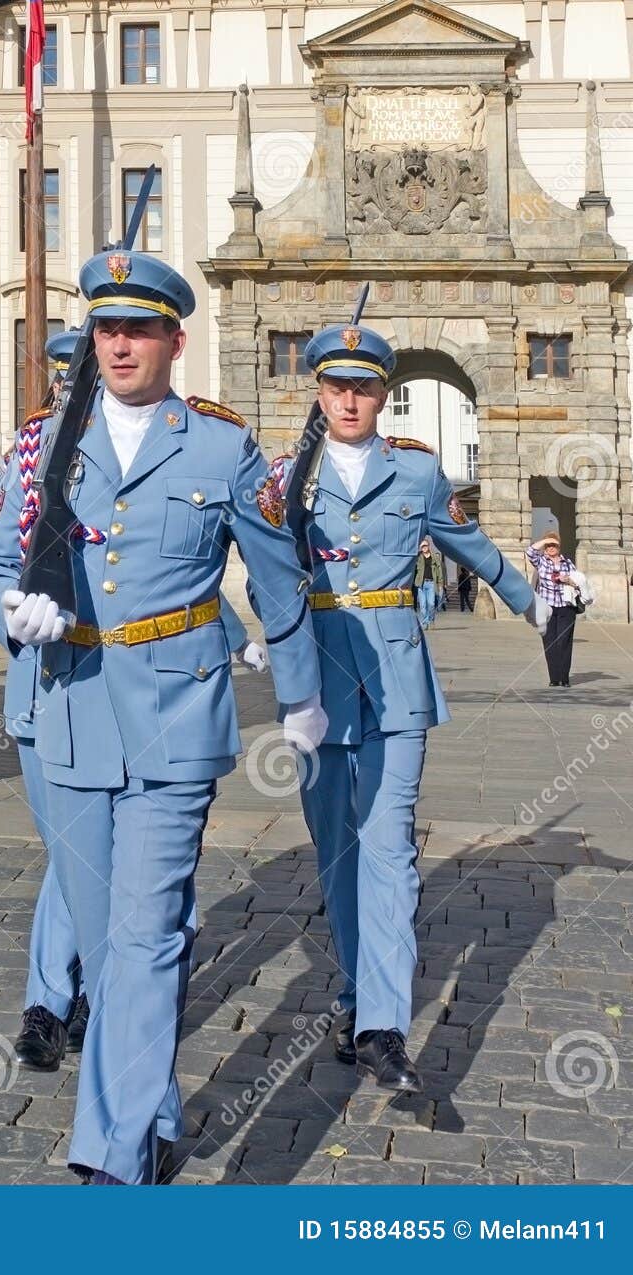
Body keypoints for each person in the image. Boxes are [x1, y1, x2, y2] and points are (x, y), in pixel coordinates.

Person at [0, 251, 325, 1184]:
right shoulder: (50, 441)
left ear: (176, 337)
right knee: (103, 940)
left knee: (145, 933)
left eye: (139, 327)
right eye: (105, 328)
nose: (119, 343)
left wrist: (300, 693)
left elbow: (278, 579)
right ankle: (156, 1114)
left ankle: (113, 1157)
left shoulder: (221, 447)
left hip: (176, 711)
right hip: (73, 709)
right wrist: (10, 606)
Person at [272, 320, 545, 1092]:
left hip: (395, 680)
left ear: (382, 395)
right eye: (336, 385)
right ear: (318, 392)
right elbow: (250, 555)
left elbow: (471, 544)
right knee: (338, 851)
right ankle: (360, 993)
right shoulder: (289, 476)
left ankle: (384, 1026)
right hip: (318, 680)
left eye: (363, 387)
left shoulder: (417, 475)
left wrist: (534, 602)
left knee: (389, 844)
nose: (349, 399)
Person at [526, 531, 582, 687]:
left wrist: (569, 581)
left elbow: (579, 584)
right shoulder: (541, 562)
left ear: (559, 546)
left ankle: (564, 678)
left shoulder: (568, 563)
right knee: (549, 642)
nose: (551, 547)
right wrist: (545, 540)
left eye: (554, 544)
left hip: (566, 608)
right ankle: (554, 678)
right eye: (548, 545)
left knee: (564, 641)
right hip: (547, 608)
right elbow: (529, 552)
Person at [413, 538, 443, 629]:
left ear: (428, 546)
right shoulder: (418, 558)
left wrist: (440, 583)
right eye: (422, 546)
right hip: (421, 584)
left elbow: (439, 570)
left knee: (431, 604)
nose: (424, 547)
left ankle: (431, 620)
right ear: (420, 548)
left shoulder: (434, 557)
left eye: (425, 545)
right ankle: (425, 623)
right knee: (422, 606)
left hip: (431, 584)